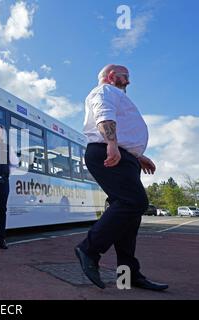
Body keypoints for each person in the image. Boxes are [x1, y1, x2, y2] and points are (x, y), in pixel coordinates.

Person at [75, 64, 169, 291]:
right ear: (111, 76)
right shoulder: (105, 91)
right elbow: (103, 114)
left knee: (129, 219)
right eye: (125, 76)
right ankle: (89, 249)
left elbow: (124, 129)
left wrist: (137, 155)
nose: (128, 81)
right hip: (108, 151)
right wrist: (112, 144)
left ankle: (128, 275)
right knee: (134, 202)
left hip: (125, 157)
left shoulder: (114, 93)